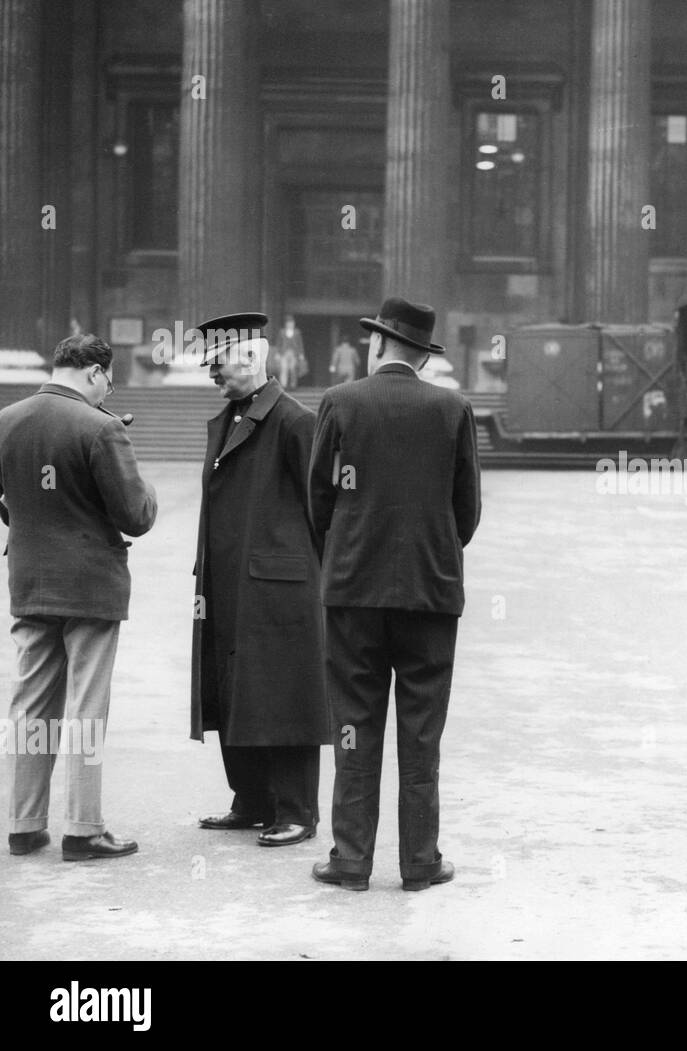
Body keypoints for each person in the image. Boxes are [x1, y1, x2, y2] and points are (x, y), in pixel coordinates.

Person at [308, 296, 480, 892]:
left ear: (377, 343)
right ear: (424, 355)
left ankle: (351, 860)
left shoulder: (340, 403)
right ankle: (420, 863)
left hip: (354, 592)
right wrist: (431, 549)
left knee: (354, 724)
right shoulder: (453, 409)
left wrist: (346, 554)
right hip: (430, 596)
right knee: (421, 732)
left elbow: (318, 501)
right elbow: (468, 511)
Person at [0, 333, 157, 860]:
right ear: (94, 373)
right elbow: (136, 515)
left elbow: (10, 499)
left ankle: (23, 824)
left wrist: (28, 521)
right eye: (108, 381)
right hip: (90, 586)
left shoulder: (7, 418)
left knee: (30, 708)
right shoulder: (102, 427)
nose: (108, 391)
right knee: (87, 709)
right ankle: (83, 830)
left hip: (30, 580)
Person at [190, 312, 329, 847]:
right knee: (233, 693)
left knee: (285, 696)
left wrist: (315, 579)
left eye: (217, 363)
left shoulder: (295, 421)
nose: (210, 374)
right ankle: (250, 800)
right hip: (227, 584)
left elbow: (324, 509)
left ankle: (297, 810)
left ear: (250, 358)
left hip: (281, 589)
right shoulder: (228, 418)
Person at [275, 314, 306, 389]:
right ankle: (283, 385)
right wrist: (277, 353)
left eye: (292, 323)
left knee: (293, 368)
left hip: (294, 353)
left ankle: (293, 385)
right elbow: (279, 343)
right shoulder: (282, 332)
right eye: (289, 323)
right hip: (284, 353)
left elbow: (300, 343)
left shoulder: (297, 332)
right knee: (284, 368)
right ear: (286, 324)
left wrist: (301, 353)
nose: (290, 324)